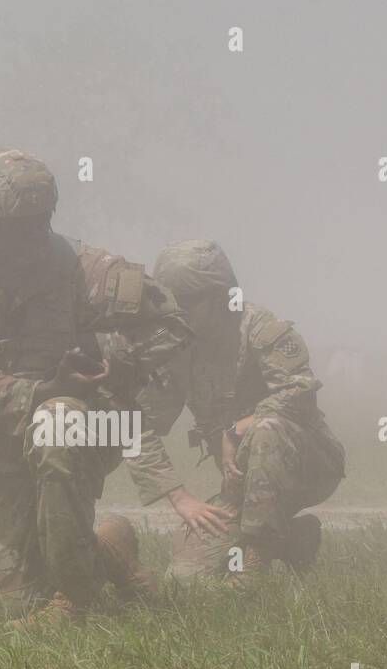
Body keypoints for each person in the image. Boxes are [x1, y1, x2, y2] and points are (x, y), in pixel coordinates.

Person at [0, 149, 194, 623]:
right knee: (18, 600)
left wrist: (114, 360)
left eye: (36, 221)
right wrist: (41, 391)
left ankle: (74, 600)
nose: (26, 236)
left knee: (58, 422)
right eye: (11, 225)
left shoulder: (88, 269)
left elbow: (170, 325)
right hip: (4, 439)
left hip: (83, 428)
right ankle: (109, 549)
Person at [124, 239, 346, 584]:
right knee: (183, 580)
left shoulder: (260, 329)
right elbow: (135, 425)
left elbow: (299, 391)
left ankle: (254, 560)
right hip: (243, 485)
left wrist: (236, 429)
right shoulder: (177, 347)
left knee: (267, 427)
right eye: (168, 301)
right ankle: (291, 540)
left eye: (184, 302)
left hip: (309, 467)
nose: (174, 310)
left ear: (218, 296)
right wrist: (178, 496)